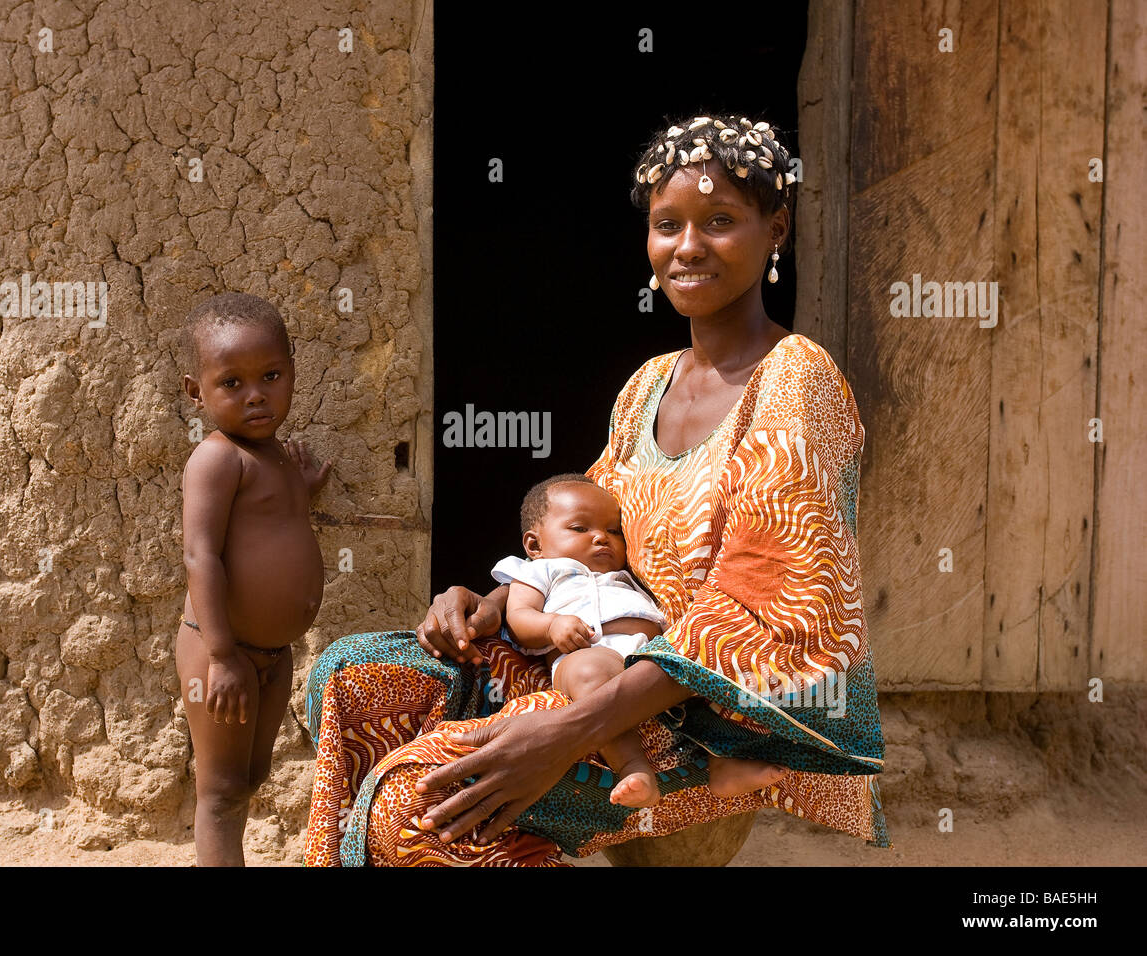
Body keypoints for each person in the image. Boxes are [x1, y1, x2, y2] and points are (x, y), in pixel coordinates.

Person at [304, 114, 888, 866]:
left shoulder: (795, 380)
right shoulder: (647, 386)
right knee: (348, 677)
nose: (687, 246)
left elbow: (755, 610)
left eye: (719, 221)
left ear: (776, 230)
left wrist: (567, 729)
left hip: (707, 719)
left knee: (418, 804)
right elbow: (582, 541)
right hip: (596, 671)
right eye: (666, 224)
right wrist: (494, 604)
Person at [495, 473, 793, 809]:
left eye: (613, 531)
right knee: (592, 677)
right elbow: (518, 617)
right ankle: (633, 768)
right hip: (590, 653)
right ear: (535, 545)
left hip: (650, 657)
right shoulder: (538, 571)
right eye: (580, 529)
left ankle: (720, 764)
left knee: (705, 665)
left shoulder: (627, 574)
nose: (600, 538)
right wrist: (551, 626)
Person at [177, 292, 331, 866]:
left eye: (270, 375)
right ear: (197, 392)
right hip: (222, 650)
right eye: (231, 383)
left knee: (252, 775)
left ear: (292, 370)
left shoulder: (276, 458)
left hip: (271, 654)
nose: (256, 394)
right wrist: (220, 655)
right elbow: (201, 557)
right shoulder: (217, 460)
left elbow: (273, 521)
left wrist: (303, 486)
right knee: (219, 794)